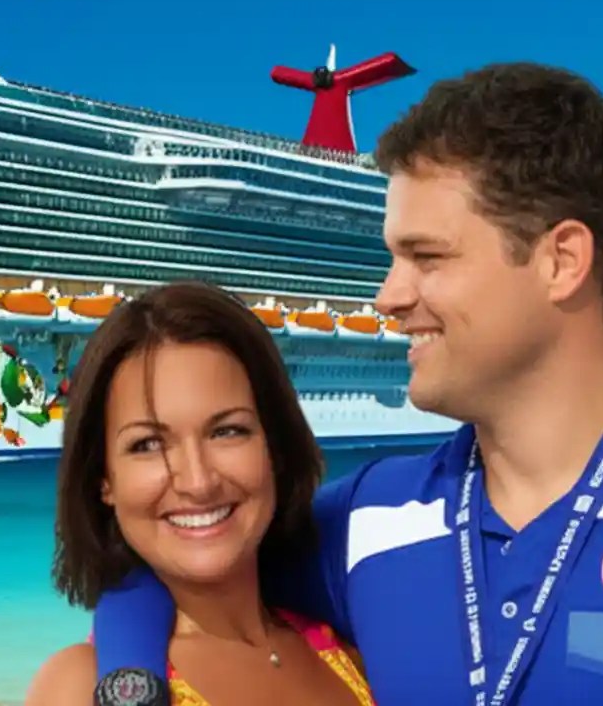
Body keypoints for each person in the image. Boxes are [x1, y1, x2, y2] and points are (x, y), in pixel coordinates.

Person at [90, 61, 603, 705]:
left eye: (427, 257)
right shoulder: (373, 518)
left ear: (560, 261)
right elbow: (173, 560)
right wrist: (133, 678)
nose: (387, 297)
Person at [24, 281, 376, 705]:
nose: (198, 481)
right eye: (148, 444)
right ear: (104, 480)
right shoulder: (83, 687)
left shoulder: (352, 651)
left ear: (275, 450)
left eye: (227, 431)